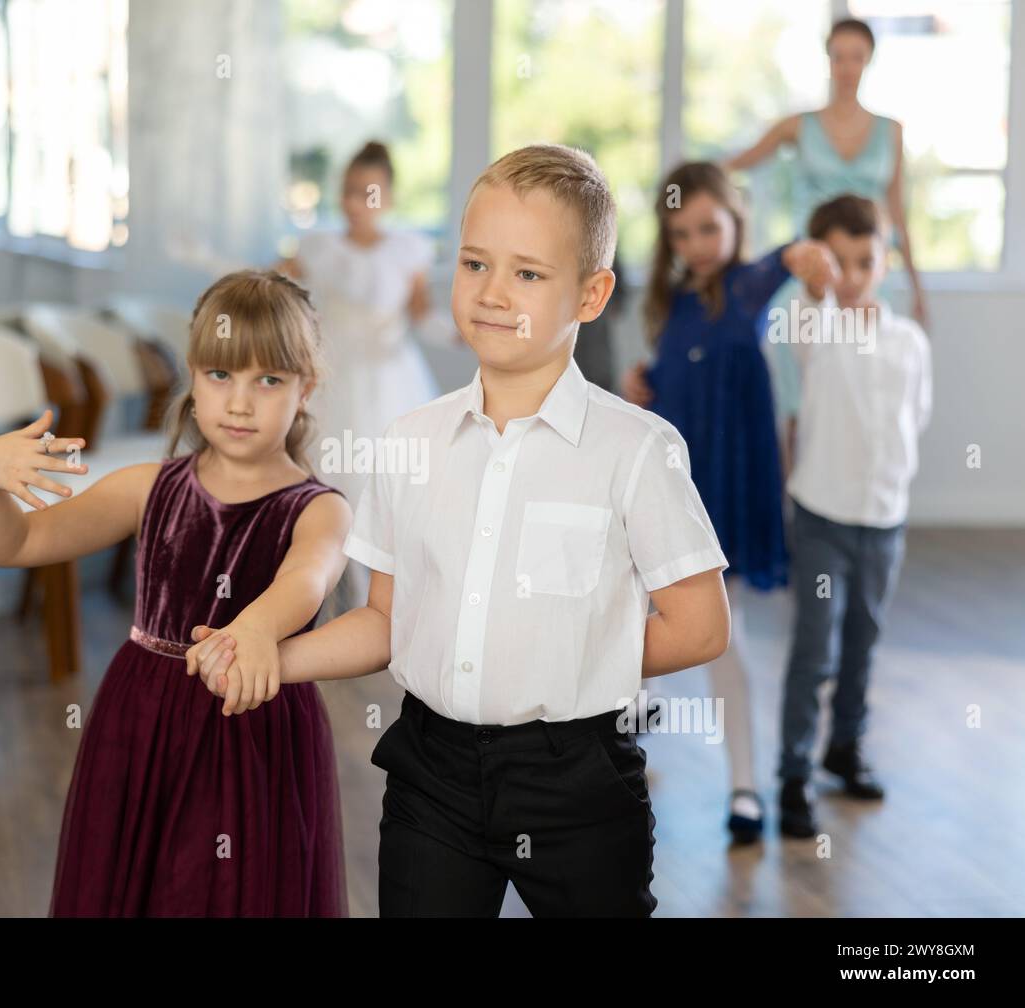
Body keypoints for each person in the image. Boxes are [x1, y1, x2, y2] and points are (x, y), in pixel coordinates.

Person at [195, 145, 733, 917]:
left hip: (576, 783)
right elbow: (384, 620)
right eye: (475, 264)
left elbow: (701, 625)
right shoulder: (408, 439)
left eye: (527, 273)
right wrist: (265, 659)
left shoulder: (637, 450)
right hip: (432, 778)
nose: (491, 293)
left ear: (591, 294)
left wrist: (570, 652)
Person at [0, 270, 351, 916]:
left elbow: (305, 581)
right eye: (220, 375)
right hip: (141, 722)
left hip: (253, 732)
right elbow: (15, 546)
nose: (239, 402)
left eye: (269, 381)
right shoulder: (149, 487)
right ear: (193, 376)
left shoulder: (317, 511)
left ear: (305, 388)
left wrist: (252, 631)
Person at [620, 161, 837, 843]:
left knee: (722, 638)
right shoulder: (677, 304)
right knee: (636, 613)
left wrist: (808, 256)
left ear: (735, 219)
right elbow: (679, 380)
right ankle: (631, 732)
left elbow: (789, 259)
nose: (698, 243)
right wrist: (642, 380)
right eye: (681, 234)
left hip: (729, 494)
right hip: (670, 489)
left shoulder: (748, 285)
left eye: (709, 227)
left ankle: (746, 785)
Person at [776, 194, 931, 837]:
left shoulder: (910, 341)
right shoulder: (812, 325)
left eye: (864, 261)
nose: (853, 274)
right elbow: (806, 309)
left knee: (864, 639)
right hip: (822, 516)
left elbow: (916, 416)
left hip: (884, 518)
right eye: (837, 262)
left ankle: (847, 746)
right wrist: (813, 284)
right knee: (816, 646)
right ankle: (793, 772)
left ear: (885, 261)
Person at [724, 16, 926, 442]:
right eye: (839, 57)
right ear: (828, 60)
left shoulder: (891, 131)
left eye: (857, 57)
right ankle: (796, 494)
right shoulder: (800, 125)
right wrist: (684, 181)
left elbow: (898, 211)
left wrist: (917, 285)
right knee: (798, 385)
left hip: (866, 274)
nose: (848, 66)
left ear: (868, 60)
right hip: (809, 268)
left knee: (858, 392)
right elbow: (741, 162)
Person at [276, 141, 440, 610]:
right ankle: (323, 591)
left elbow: (421, 313)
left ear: (387, 198)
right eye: (349, 191)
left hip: (391, 379)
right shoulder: (317, 247)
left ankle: (387, 601)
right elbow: (268, 286)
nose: (356, 202)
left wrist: (464, 333)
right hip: (334, 375)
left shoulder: (410, 250)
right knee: (329, 474)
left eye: (368, 192)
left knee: (387, 480)